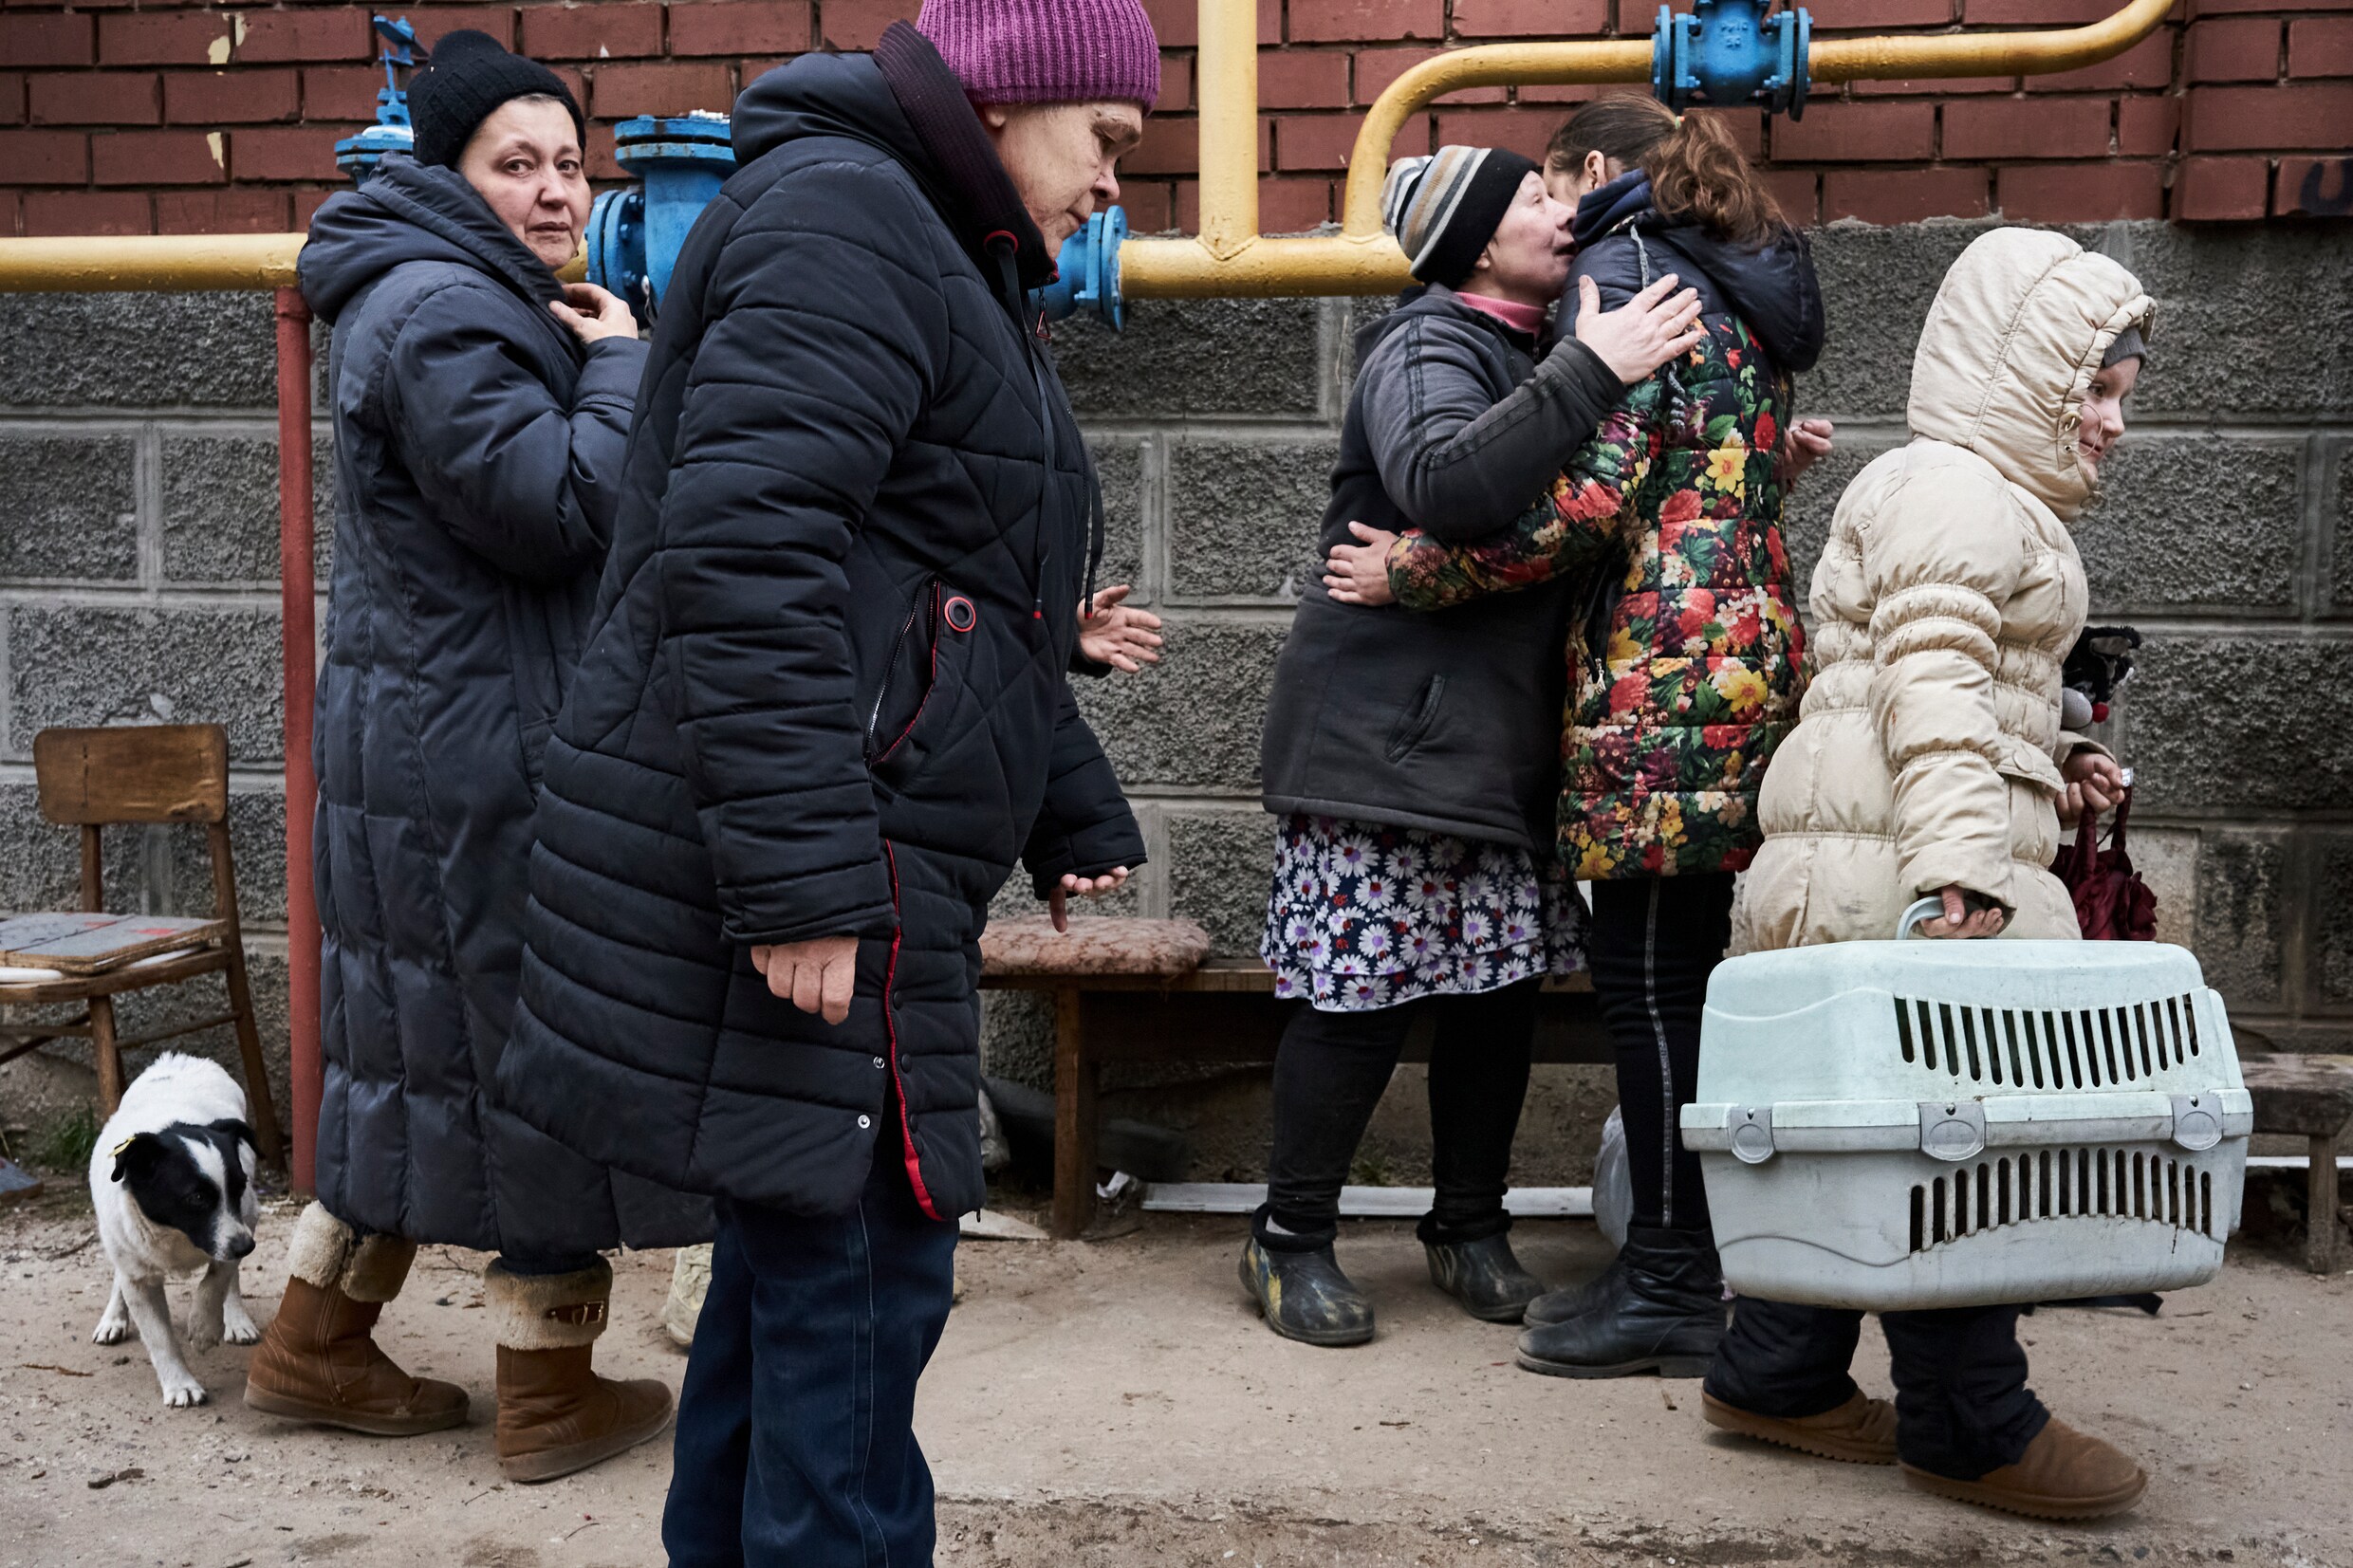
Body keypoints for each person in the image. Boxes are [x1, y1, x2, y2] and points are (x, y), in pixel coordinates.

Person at [495, 3, 1156, 1559]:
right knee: (854, 1306)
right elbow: (747, 557)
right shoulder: (852, 222)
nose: (1117, 186)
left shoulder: (932, 240)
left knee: (805, 1292)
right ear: (1010, 93)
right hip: (833, 891)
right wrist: (800, 878)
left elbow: (960, 587)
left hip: (874, 874)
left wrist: (1068, 804)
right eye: (1107, 141)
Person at [244, 29, 704, 1484]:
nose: (559, 190)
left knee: (428, 1057)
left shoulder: (437, 293)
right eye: (520, 165)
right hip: (480, 749)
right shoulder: (447, 311)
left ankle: (311, 1342)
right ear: (450, 174)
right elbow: (559, 506)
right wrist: (626, 368)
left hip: (439, 733)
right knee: (538, 1051)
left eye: (570, 162)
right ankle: (550, 1389)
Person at [1325, 97, 1824, 1378]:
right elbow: (1706, 473)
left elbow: (1588, 500)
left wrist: (1415, 572)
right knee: (1693, 986)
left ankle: (1670, 1281)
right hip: (1745, 651)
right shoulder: (1739, 280)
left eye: (1558, 188)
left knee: (1652, 994)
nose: (1556, 216)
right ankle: (1692, 1260)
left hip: (1664, 674)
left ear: (1599, 174)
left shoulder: (1632, 273)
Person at [1699, 226, 2143, 1522]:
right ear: (2023, 371)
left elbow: (1940, 687)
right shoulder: (1958, 491)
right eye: (2096, 390)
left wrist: (2053, 758)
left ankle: (1777, 1373)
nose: (2112, 422)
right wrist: (1963, 861)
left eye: (2121, 396)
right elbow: (1933, 687)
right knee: (1958, 1145)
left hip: (1860, 855)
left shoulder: (1963, 489)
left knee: (1844, 1137)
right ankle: (1970, 1421)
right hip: (1904, 869)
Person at [1250, 141, 1709, 1346]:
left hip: (1492, 747)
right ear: (1469, 241)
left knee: (1494, 1000)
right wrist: (1589, 368)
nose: (1563, 212)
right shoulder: (1426, 342)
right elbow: (1445, 481)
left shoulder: (1536, 345)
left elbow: (1574, 512)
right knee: (1355, 1000)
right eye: (1533, 201)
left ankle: (1465, 1228)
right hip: (1382, 746)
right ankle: (1287, 1239)